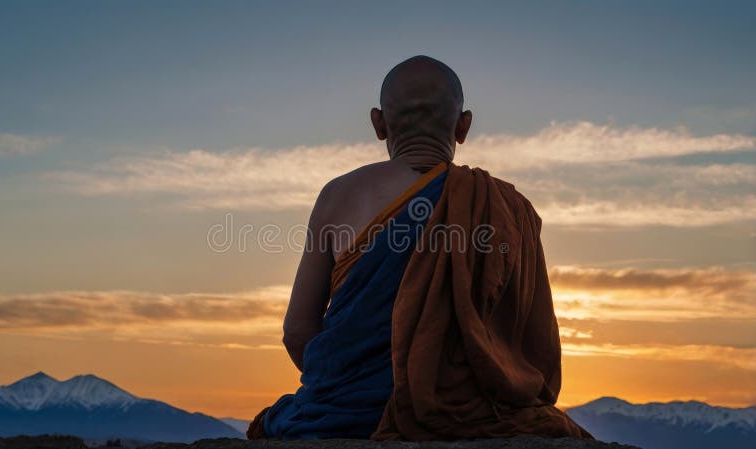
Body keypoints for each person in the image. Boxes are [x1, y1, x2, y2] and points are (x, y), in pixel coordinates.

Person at [247, 55, 593, 441]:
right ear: (464, 127)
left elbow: (297, 331)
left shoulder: (339, 197)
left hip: (345, 412)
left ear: (379, 124)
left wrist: (345, 389)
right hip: (472, 413)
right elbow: (534, 350)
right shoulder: (506, 209)